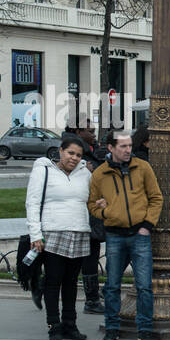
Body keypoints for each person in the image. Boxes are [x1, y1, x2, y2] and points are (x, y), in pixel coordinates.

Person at [88, 129, 164, 340]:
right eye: (123, 146)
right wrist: (105, 213)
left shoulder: (143, 167)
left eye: (130, 145)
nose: (128, 150)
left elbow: (156, 198)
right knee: (112, 285)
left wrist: (147, 226)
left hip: (140, 234)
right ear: (111, 148)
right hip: (114, 235)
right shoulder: (100, 174)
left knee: (144, 286)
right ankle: (112, 328)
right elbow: (92, 204)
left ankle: (145, 329)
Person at [27, 135, 93, 340]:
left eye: (78, 155)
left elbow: (89, 199)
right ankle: (53, 326)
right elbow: (33, 202)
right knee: (54, 281)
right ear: (61, 151)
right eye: (70, 153)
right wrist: (36, 234)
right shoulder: (43, 170)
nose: (74, 158)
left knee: (72, 283)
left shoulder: (85, 173)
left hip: (79, 232)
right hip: (53, 232)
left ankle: (70, 324)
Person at [75, 125, 108, 314]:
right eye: (90, 131)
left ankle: (94, 297)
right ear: (78, 132)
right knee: (85, 259)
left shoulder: (92, 152)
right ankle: (92, 299)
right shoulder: (80, 155)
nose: (93, 134)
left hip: (93, 215)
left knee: (90, 257)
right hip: (84, 216)